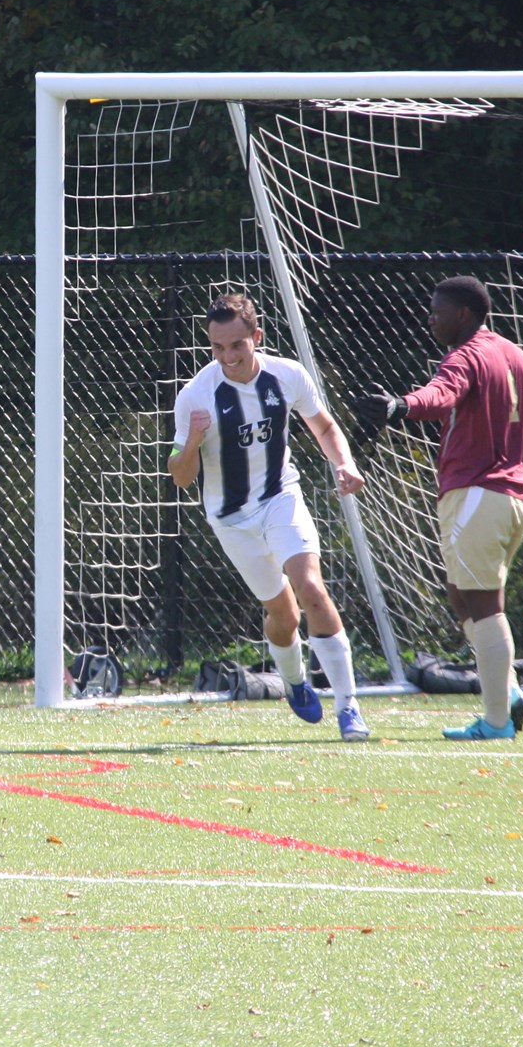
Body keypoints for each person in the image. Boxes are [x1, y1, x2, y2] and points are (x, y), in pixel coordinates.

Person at [356, 275, 523, 741]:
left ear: (464, 314)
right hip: (513, 497)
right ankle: (507, 690)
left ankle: (498, 721)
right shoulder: (516, 355)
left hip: (478, 494)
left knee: (483, 604)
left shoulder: (466, 355)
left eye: (437, 311)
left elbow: (440, 395)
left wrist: (399, 407)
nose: (431, 318)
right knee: (463, 595)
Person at [167, 294, 373, 740]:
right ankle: (296, 683)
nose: (228, 357)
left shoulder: (287, 375)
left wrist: (344, 462)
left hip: (281, 496)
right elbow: (181, 479)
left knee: (312, 590)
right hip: (231, 519)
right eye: (218, 348)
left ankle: (348, 705)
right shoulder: (195, 396)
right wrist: (193, 442)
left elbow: (324, 425)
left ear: (256, 338)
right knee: (283, 616)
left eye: (237, 345)